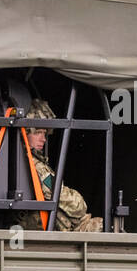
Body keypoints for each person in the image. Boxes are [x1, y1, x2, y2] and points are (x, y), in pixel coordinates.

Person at [19, 98, 102, 233]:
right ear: (25, 133)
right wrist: (79, 201)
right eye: (37, 132)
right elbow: (73, 205)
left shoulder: (22, 160)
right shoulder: (35, 166)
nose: (43, 139)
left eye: (44, 133)